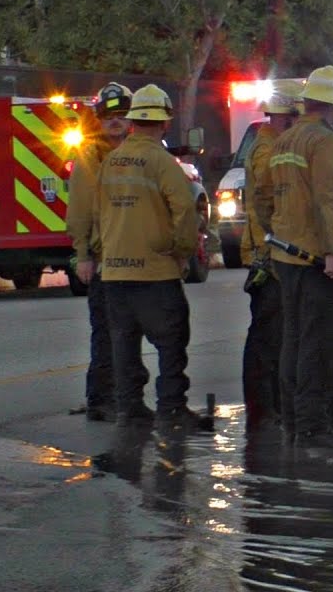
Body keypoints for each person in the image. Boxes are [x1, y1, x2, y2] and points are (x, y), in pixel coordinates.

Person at [96, 84, 209, 430]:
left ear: (132, 122)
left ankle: (131, 409)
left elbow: (101, 214)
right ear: (164, 122)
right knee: (171, 343)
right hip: (155, 273)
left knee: (124, 346)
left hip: (114, 274)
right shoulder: (163, 162)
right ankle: (172, 408)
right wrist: (183, 252)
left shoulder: (111, 161)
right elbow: (186, 214)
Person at [270, 65, 333, 450]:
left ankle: (292, 420)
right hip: (314, 259)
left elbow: (268, 198)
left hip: (285, 256)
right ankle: (312, 428)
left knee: (293, 341)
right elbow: (328, 200)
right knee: (317, 344)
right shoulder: (325, 141)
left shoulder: (285, 140)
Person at [66, 82, 133, 422]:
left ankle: (129, 399)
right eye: (109, 117)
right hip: (105, 261)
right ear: (99, 120)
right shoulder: (90, 157)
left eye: (122, 115)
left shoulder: (143, 152)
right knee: (106, 332)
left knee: (132, 333)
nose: (115, 122)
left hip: (140, 262)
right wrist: (83, 255)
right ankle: (101, 400)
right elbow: (79, 210)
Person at [240, 82, 302, 433]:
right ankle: (264, 413)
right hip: (268, 257)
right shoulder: (267, 151)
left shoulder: (271, 145)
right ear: (284, 116)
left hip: (269, 252)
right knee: (268, 338)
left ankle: (270, 409)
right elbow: (267, 201)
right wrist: (276, 244)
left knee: (273, 336)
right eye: (293, 117)